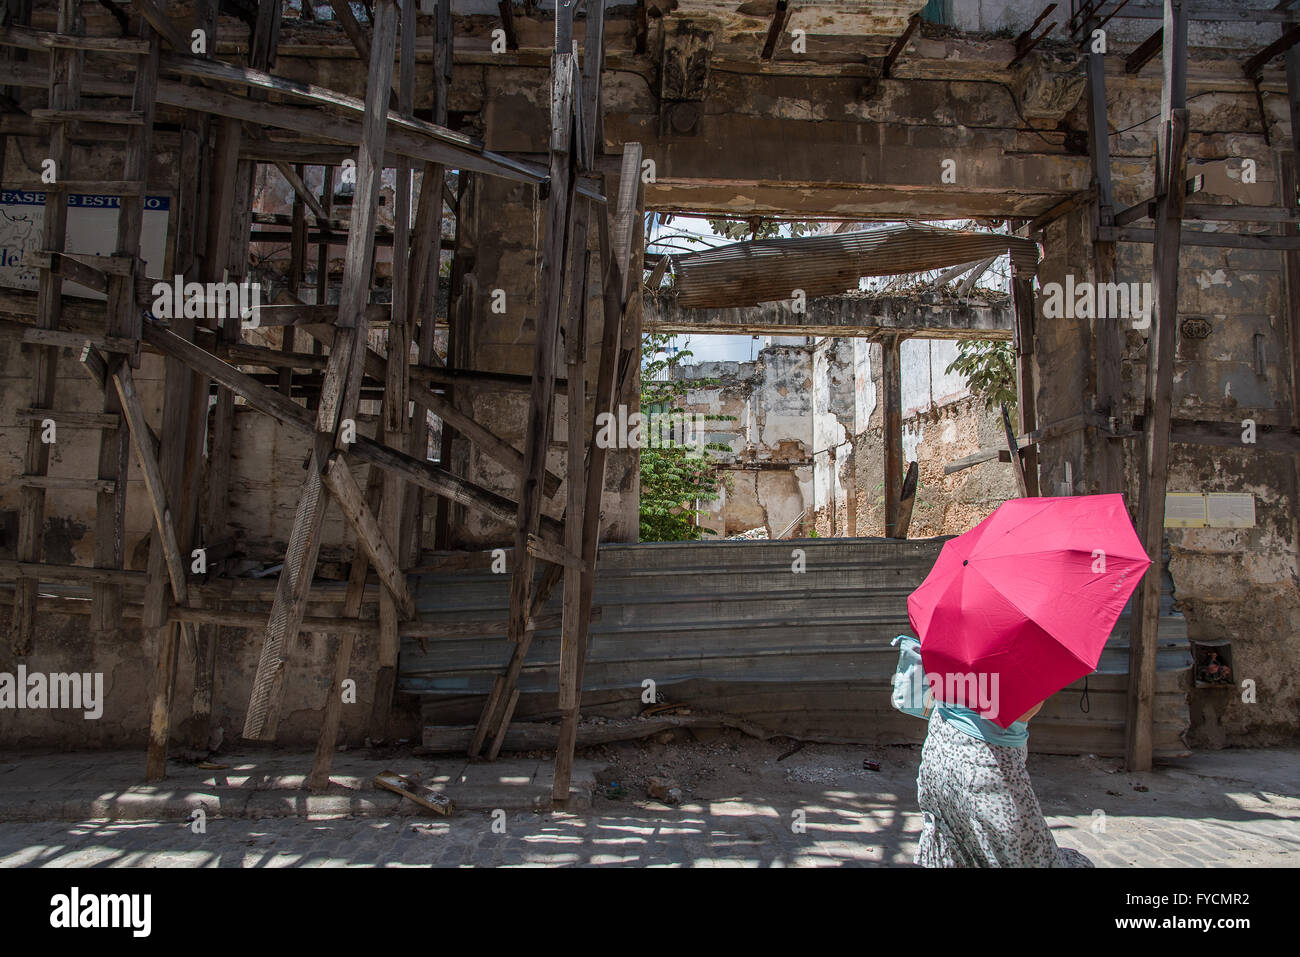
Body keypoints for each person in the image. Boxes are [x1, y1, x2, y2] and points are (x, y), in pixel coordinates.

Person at [914, 694, 1094, 868]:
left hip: (938, 748)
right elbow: (1023, 711)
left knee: (957, 847)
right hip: (983, 764)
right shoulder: (1023, 665)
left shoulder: (954, 662)